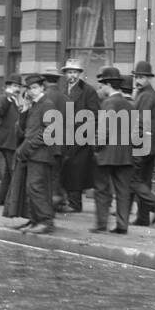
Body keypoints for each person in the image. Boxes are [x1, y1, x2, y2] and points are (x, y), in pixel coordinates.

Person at [91, 66, 135, 234]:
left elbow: (104, 131)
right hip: (125, 155)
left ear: (108, 85)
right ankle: (122, 225)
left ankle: (101, 224)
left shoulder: (108, 103)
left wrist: (96, 148)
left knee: (102, 190)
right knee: (123, 191)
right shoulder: (129, 104)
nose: (100, 89)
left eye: (102, 85)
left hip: (107, 154)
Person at [16, 73, 62, 234]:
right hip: (34, 153)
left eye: (35, 88)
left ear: (42, 87)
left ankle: (45, 221)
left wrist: (28, 147)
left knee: (36, 187)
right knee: (31, 188)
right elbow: (22, 130)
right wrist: (24, 110)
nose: (32, 91)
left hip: (41, 154)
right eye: (29, 88)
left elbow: (48, 130)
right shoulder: (34, 105)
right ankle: (35, 219)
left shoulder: (47, 104)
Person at [60, 57, 100, 213]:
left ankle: (75, 204)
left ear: (80, 74)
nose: (72, 75)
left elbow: (95, 115)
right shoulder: (62, 89)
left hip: (80, 136)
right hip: (63, 135)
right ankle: (66, 200)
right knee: (66, 168)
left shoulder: (88, 91)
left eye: (75, 72)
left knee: (76, 170)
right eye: (69, 72)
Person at [130, 60, 155, 226]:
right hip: (153, 146)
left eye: (142, 77)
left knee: (134, 180)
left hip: (142, 144)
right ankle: (143, 218)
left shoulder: (145, 96)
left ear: (148, 78)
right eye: (137, 77)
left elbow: (140, 122)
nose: (138, 80)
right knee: (144, 181)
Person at [0, 74, 23, 207]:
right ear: (8, 87)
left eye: (18, 86)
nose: (17, 89)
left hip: (11, 140)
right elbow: (0, 112)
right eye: (14, 86)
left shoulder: (15, 100)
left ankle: (0, 198)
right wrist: (8, 97)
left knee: (8, 172)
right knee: (12, 170)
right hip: (7, 141)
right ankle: (11, 200)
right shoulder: (5, 99)